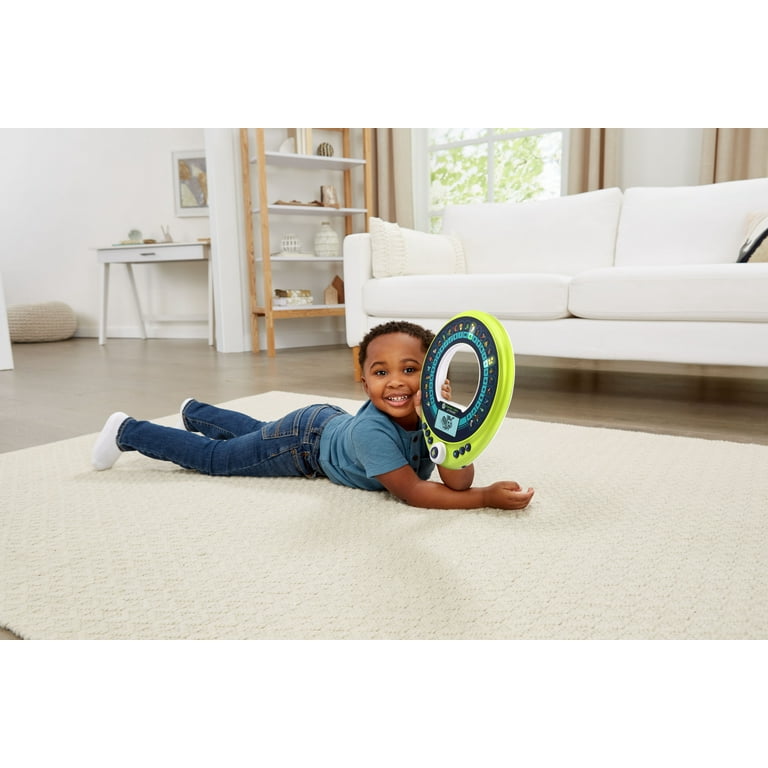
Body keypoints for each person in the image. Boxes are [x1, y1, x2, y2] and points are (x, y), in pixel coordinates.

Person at [92, 321, 534, 511]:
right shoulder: (373, 432)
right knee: (219, 459)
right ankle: (128, 431)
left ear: (436, 376)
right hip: (303, 444)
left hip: (324, 423)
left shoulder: (432, 415)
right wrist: (483, 499)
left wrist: (439, 419)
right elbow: (415, 492)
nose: (396, 382)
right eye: (381, 373)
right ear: (364, 383)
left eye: (411, 369)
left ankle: (196, 412)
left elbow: (456, 476)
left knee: (257, 434)